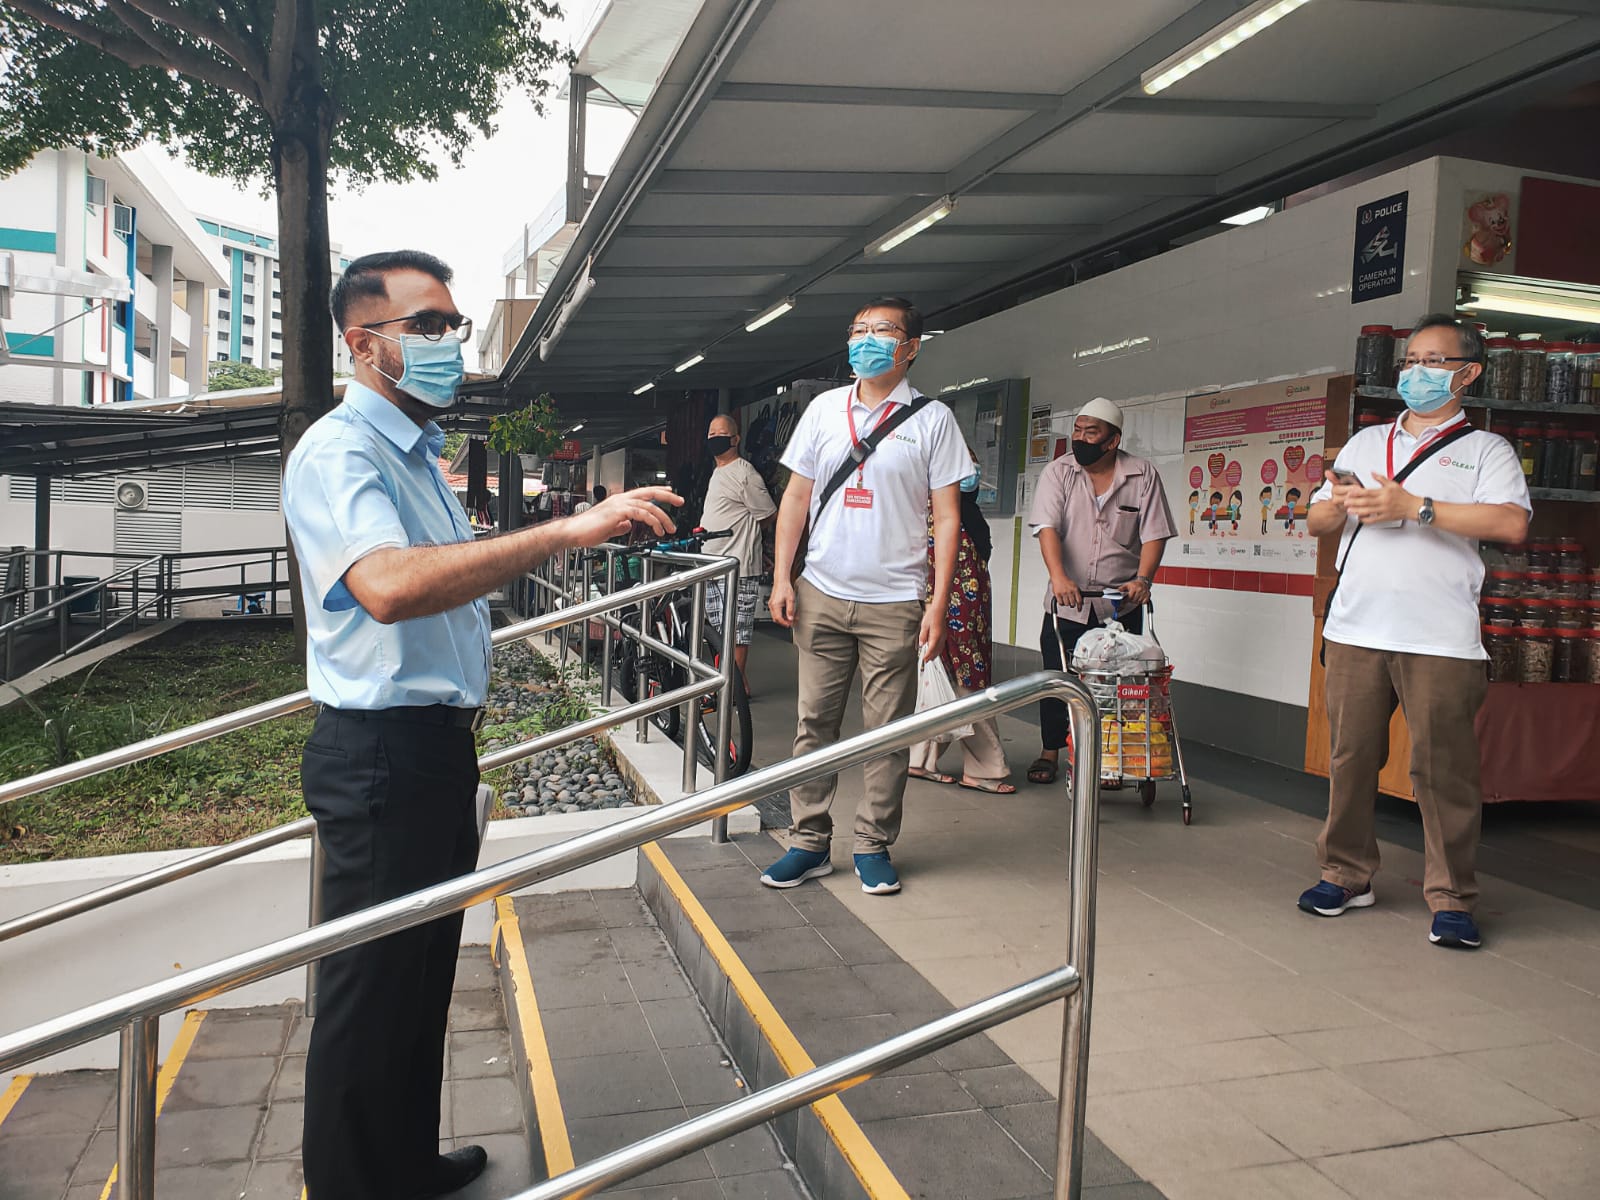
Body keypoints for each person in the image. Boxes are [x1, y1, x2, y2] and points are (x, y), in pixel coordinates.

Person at [282, 250, 680, 1200]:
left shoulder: (416, 455)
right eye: (426, 326)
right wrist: (561, 534)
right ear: (363, 344)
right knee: (369, 991)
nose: (448, 344)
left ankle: (402, 1166)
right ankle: (352, 1186)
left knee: (418, 978)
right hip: (380, 754)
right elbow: (384, 587)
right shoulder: (343, 452)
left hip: (430, 751)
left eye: (453, 324)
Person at [1300, 314, 1529, 950]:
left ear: (1467, 372)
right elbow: (1316, 517)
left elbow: (1511, 524)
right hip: (1356, 629)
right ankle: (1345, 874)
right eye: (1410, 362)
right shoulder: (1366, 442)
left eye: (1433, 361)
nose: (1416, 372)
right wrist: (1337, 504)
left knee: (1443, 771)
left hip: (1441, 637)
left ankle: (1452, 898)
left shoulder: (1487, 451)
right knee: (1350, 760)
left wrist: (1415, 508)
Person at [762, 295, 970, 895]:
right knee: (813, 724)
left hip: (896, 601)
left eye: (883, 330)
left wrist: (936, 603)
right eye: (859, 330)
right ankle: (808, 842)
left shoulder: (932, 420)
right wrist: (782, 577)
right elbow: (796, 499)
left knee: (889, 731)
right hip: (822, 591)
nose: (868, 339)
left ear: (910, 347)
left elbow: (947, 518)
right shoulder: (825, 410)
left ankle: (874, 844)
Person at [1027, 397, 1175, 785]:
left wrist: (1143, 579)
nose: (1080, 439)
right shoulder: (1058, 473)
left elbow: (1155, 532)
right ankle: (1050, 751)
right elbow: (1047, 529)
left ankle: (1112, 755)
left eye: (1090, 432)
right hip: (1068, 600)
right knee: (1057, 677)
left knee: (1120, 683)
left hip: (1120, 604)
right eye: (1077, 430)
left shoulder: (1142, 475)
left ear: (1112, 441)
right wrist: (1058, 577)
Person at [908, 449, 1014, 793]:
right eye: (963, 467)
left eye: (974, 465)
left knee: (948, 681)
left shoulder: (966, 513)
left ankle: (920, 760)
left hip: (970, 612)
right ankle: (985, 768)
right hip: (952, 613)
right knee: (970, 685)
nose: (972, 474)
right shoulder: (933, 513)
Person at [699, 412, 777, 692]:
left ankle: (735, 686)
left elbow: (767, 514)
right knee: (719, 627)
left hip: (739, 565)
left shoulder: (745, 473)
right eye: (710, 434)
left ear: (735, 438)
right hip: (713, 563)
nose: (714, 439)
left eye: (720, 434)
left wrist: (748, 535)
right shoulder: (718, 471)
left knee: (738, 630)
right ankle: (729, 680)